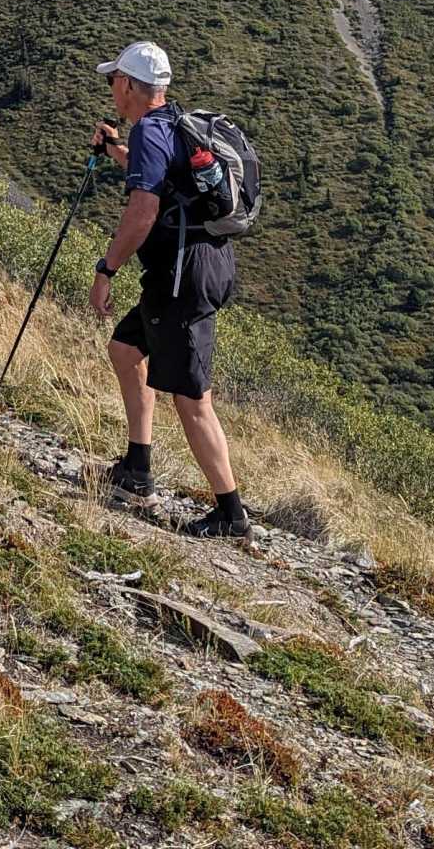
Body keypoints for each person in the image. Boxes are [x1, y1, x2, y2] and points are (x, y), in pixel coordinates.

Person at [86, 40, 251, 539]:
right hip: (191, 267)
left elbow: (143, 211)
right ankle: (137, 470)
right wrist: (116, 150)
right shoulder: (170, 125)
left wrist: (106, 269)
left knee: (191, 397)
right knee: (124, 349)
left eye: (115, 79)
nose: (112, 87)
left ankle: (231, 514)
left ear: (131, 86)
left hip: (184, 275)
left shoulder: (153, 134)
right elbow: (165, 183)